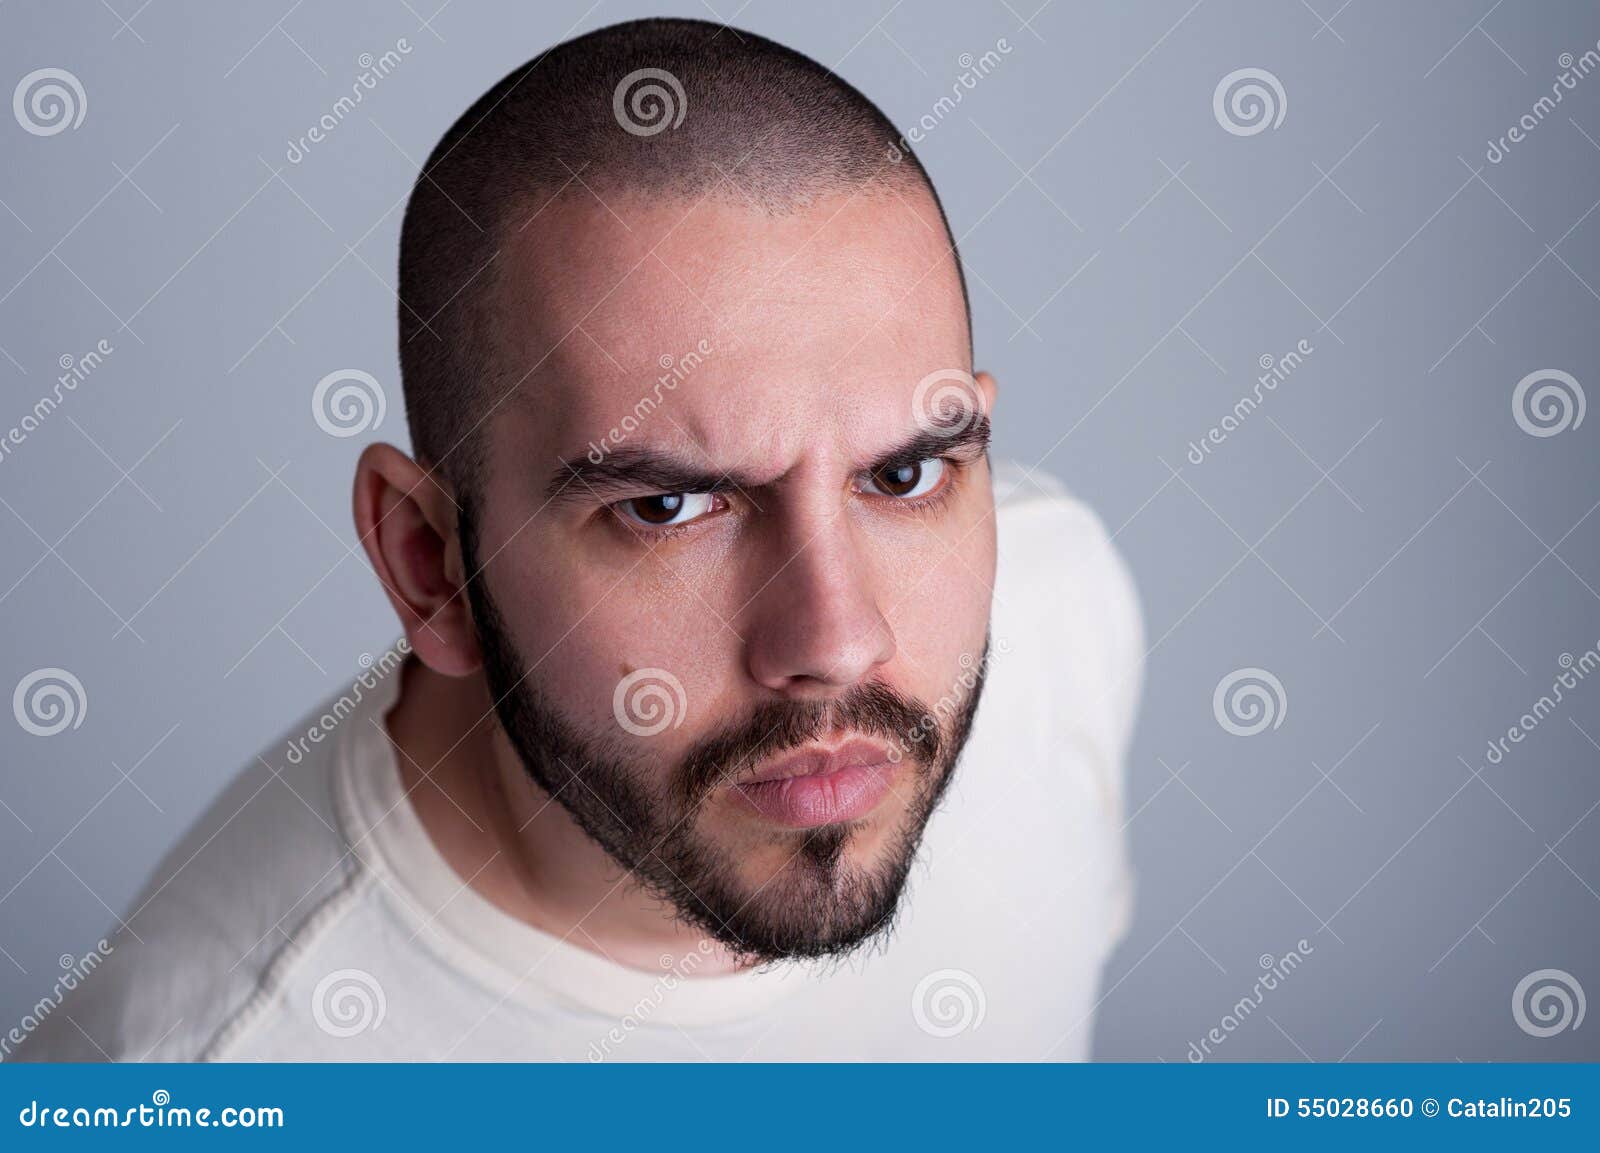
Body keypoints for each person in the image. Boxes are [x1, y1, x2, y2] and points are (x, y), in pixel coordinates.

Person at [17, 16, 1142, 1061]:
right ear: (429, 566)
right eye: (667, 508)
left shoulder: (1056, 605)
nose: (839, 643)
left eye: (902, 476)